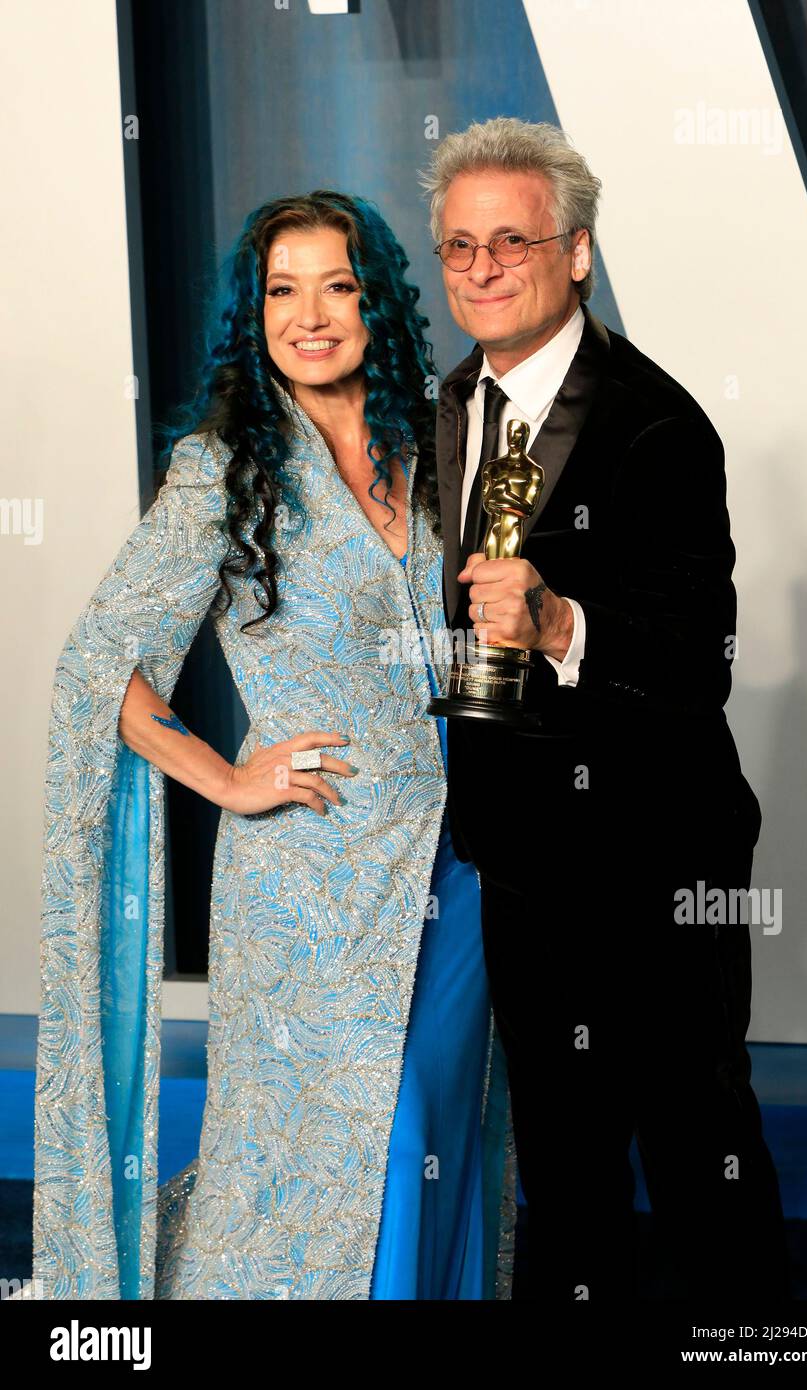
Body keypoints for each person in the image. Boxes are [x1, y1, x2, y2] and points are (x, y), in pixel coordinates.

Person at [30, 190, 516, 1301]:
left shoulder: (444, 445)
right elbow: (99, 660)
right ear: (253, 315)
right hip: (309, 880)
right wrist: (228, 780)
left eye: (335, 286)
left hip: (462, 868)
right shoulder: (222, 468)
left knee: (442, 1124)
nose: (309, 316)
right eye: (279, 291)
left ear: (376, 303)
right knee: (359, 1147)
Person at [420, 117, 790, 1301]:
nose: (480, 270)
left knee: (697, 1152)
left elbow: (697, 660)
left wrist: (560, 622)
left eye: (509, 244)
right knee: (565, 1168)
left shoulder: (655, 423)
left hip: (655, 852)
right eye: (458, 248)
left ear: (575, 253)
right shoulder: (450, 404)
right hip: (522, 861)